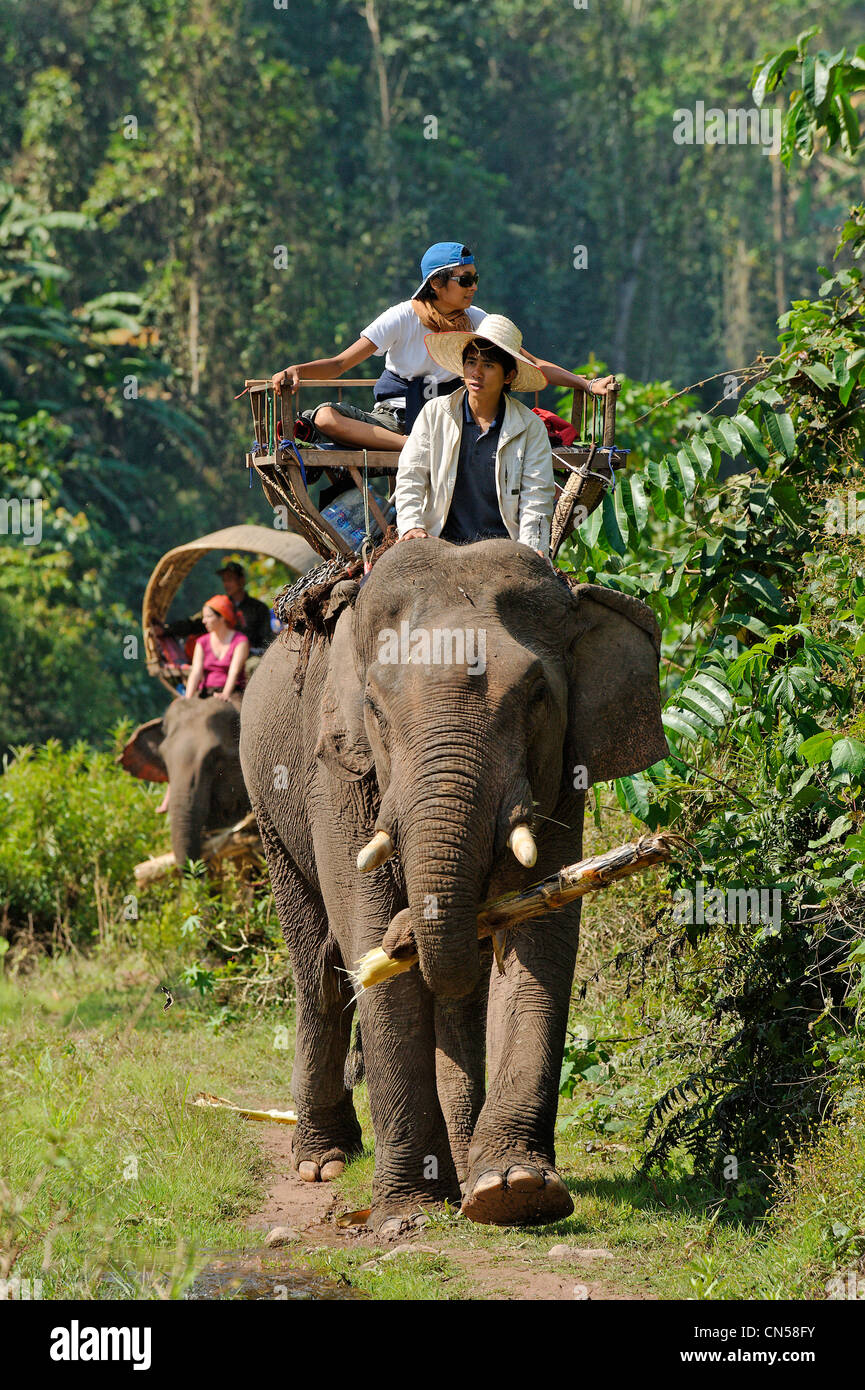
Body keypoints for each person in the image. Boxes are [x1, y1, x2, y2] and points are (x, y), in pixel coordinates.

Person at [271, 241, 615, 451]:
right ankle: (410, 448)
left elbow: (532, 363)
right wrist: (295, 371)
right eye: (465, 280)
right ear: (435, 283)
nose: (473, 288)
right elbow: (338, 365)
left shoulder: (477, 319)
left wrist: (587, 384)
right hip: (397, 422)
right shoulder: (402, 317)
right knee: (326, 417)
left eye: (475, 279)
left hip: (452, 421)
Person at [394, 315, 556, 557]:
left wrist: (532, 549)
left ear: (508, 376)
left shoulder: (529, 427)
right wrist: (411, 526)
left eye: (488, 365)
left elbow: (537, 497)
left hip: (504, 551)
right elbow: (411, 476)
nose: (476, 372)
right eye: (471, 362)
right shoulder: (436, 413)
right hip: (440, 545)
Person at [185, 596, 249, 702]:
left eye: (208, 616)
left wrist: (225, 694)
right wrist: (187, 699)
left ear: (222, 617)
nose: (204, 621)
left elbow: (234, 671)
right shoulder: (201, 642)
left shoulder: (240, 641)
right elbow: (196, 672)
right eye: (203, 617)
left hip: (233, 691)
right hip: (206, 692)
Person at [217, 561, 273, 654]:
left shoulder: (259, 608)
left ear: (241, 581)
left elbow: (266, 638)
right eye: (224, 580)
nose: (226, 584)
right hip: (224, 653)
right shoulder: (221, 606)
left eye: (230, 579)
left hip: (251, 655)